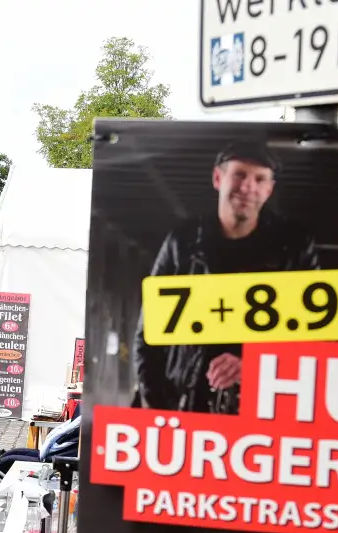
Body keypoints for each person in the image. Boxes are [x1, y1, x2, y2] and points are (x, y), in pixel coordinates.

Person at [132, 141, 318, 414]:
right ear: (218, 178)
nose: (248, 187)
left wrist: (254, 365)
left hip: (260, 409)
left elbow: (313, 336)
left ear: (269, 190)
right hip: (184, 405)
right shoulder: (181, 243)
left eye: (259, 178)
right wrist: (161, 409)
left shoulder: (293, 247)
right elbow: (147, 337)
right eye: (240, 174)